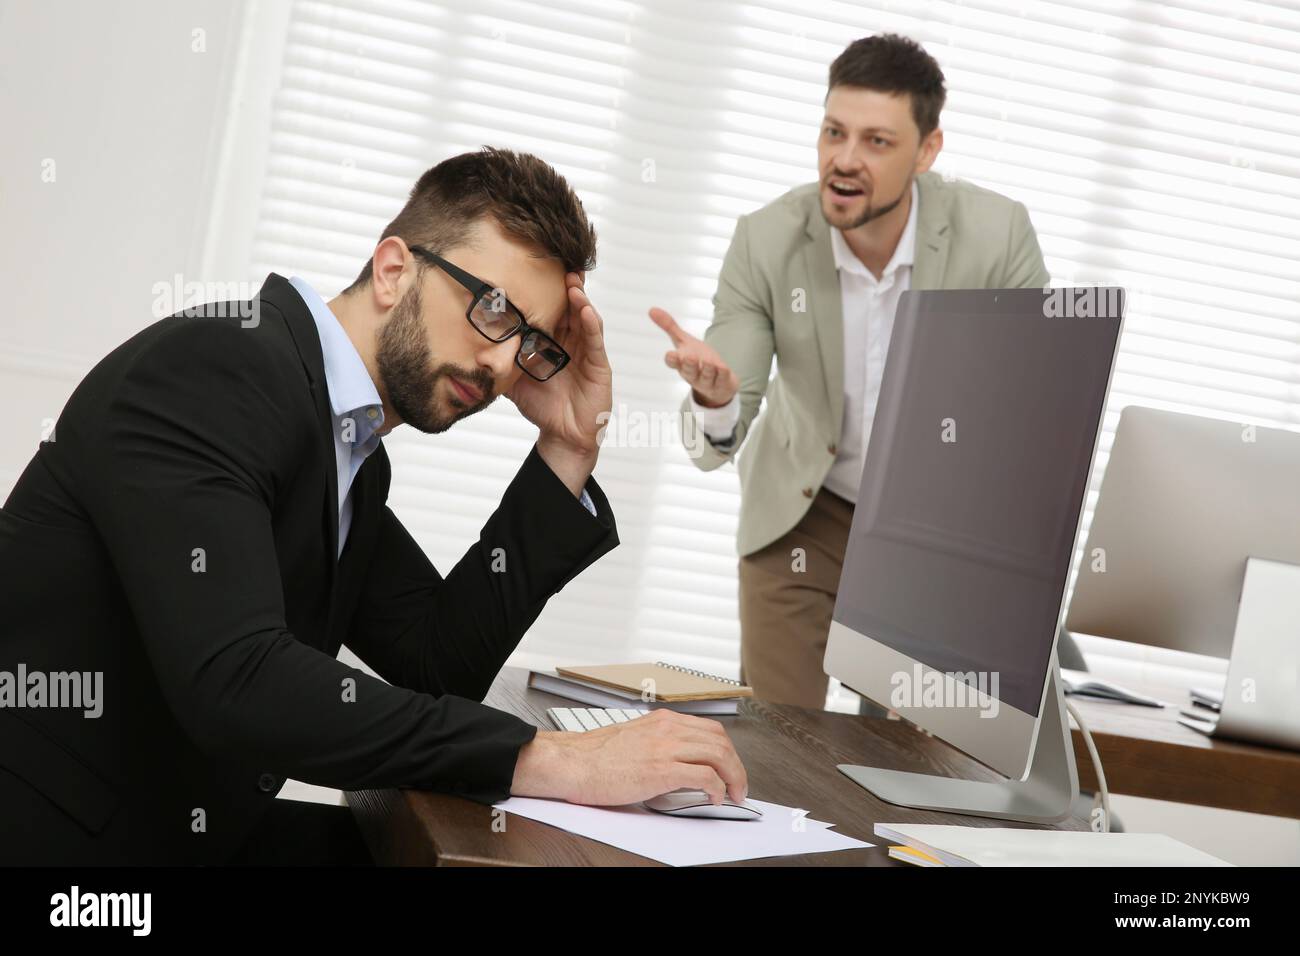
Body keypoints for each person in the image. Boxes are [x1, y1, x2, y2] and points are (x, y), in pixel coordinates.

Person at [0, 147, 746, 866]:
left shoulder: (348, 449)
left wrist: (567, 450)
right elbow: (238, 682)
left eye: (529, 343)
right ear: (393, 270)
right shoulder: (220, 370)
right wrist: (552, 758)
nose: (499, 362)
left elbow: (435, 664)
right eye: (491, 308)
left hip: (181, 825)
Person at [650, 35, 1087, 712]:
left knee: (908, 755)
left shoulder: (996, 237)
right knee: (779, 742)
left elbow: (1033, 403)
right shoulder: (767, 240)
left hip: (931, 525)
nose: (845, 161)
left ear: (928, 150)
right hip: (804, 514)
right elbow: (728, 378)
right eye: (834, 133)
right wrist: (717, 399)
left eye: (877, 142)